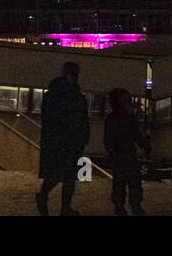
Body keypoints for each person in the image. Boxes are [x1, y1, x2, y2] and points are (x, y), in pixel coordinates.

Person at [36, 62, 90, 216]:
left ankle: (45, 197)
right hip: (67, 141)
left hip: (59, 141)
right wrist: (83, 135)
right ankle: (62, 206)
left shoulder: (53, 94)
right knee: (67, 177)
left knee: (57, 175)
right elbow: (81, 119)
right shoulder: (75, 96)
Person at [103, 88, 150, 215]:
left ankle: (123, 205)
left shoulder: (116, 118)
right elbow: (136, 135)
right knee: (129, 181)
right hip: (124, 153)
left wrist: (111, 150)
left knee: (123, 181)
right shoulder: (126, 118)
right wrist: (145, 146)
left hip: (123, 153)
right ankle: (131, 205)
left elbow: (109, 138)